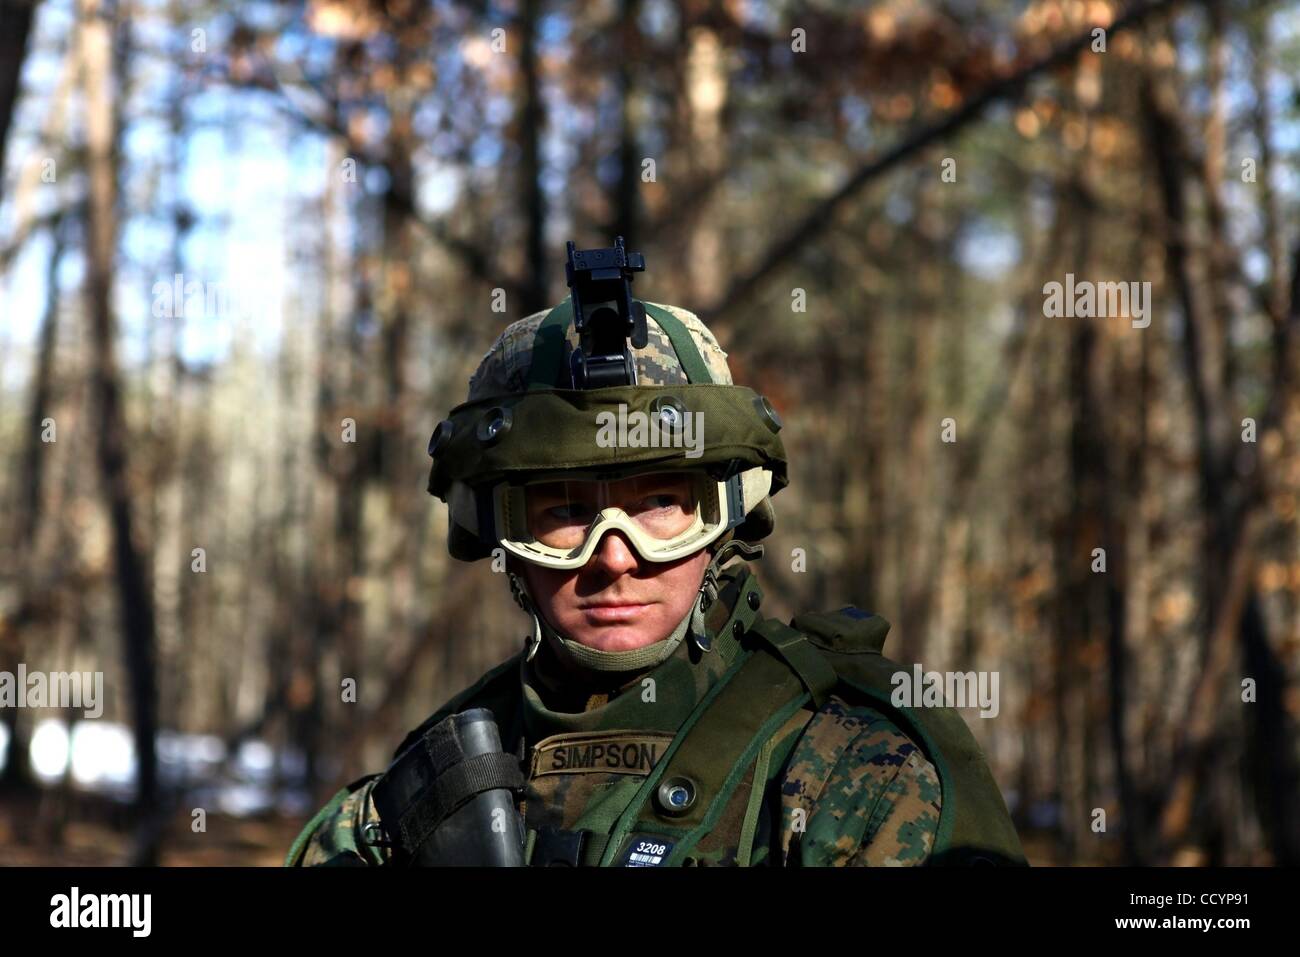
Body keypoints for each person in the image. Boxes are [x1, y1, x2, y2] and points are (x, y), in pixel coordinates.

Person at [285, 261, 1024, 867]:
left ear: (726, 516)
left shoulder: (851, 771)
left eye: (661, 504)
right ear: (501, 537)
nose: (613, 558)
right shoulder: (431, 790)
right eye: (565, 512)